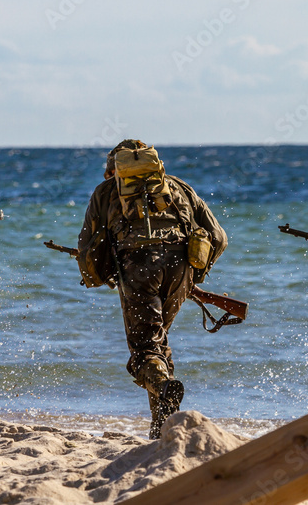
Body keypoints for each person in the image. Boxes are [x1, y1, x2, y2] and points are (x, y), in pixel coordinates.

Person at [77, 140, 227, 439]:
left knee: (146, 349)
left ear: (113, 171)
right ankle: (162, 424)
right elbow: (218, 238)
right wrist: (194, 277)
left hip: (138, 267)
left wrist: (103, 276)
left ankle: (162, 387)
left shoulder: (104, 192)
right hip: (182, 266)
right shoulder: (178, 187)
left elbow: (87, 248)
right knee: (158, 339)